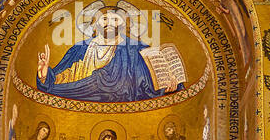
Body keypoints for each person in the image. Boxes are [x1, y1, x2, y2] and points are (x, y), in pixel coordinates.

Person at [37, 7, 174, 102]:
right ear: (95, 25)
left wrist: (165, 87)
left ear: (123, 25)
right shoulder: (79, 49)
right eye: (104, 19)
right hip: (82, 98)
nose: (109, 23)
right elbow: (61, 79)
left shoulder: (135, 50)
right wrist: (44, 76)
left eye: (115, 19)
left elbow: (145, 83)